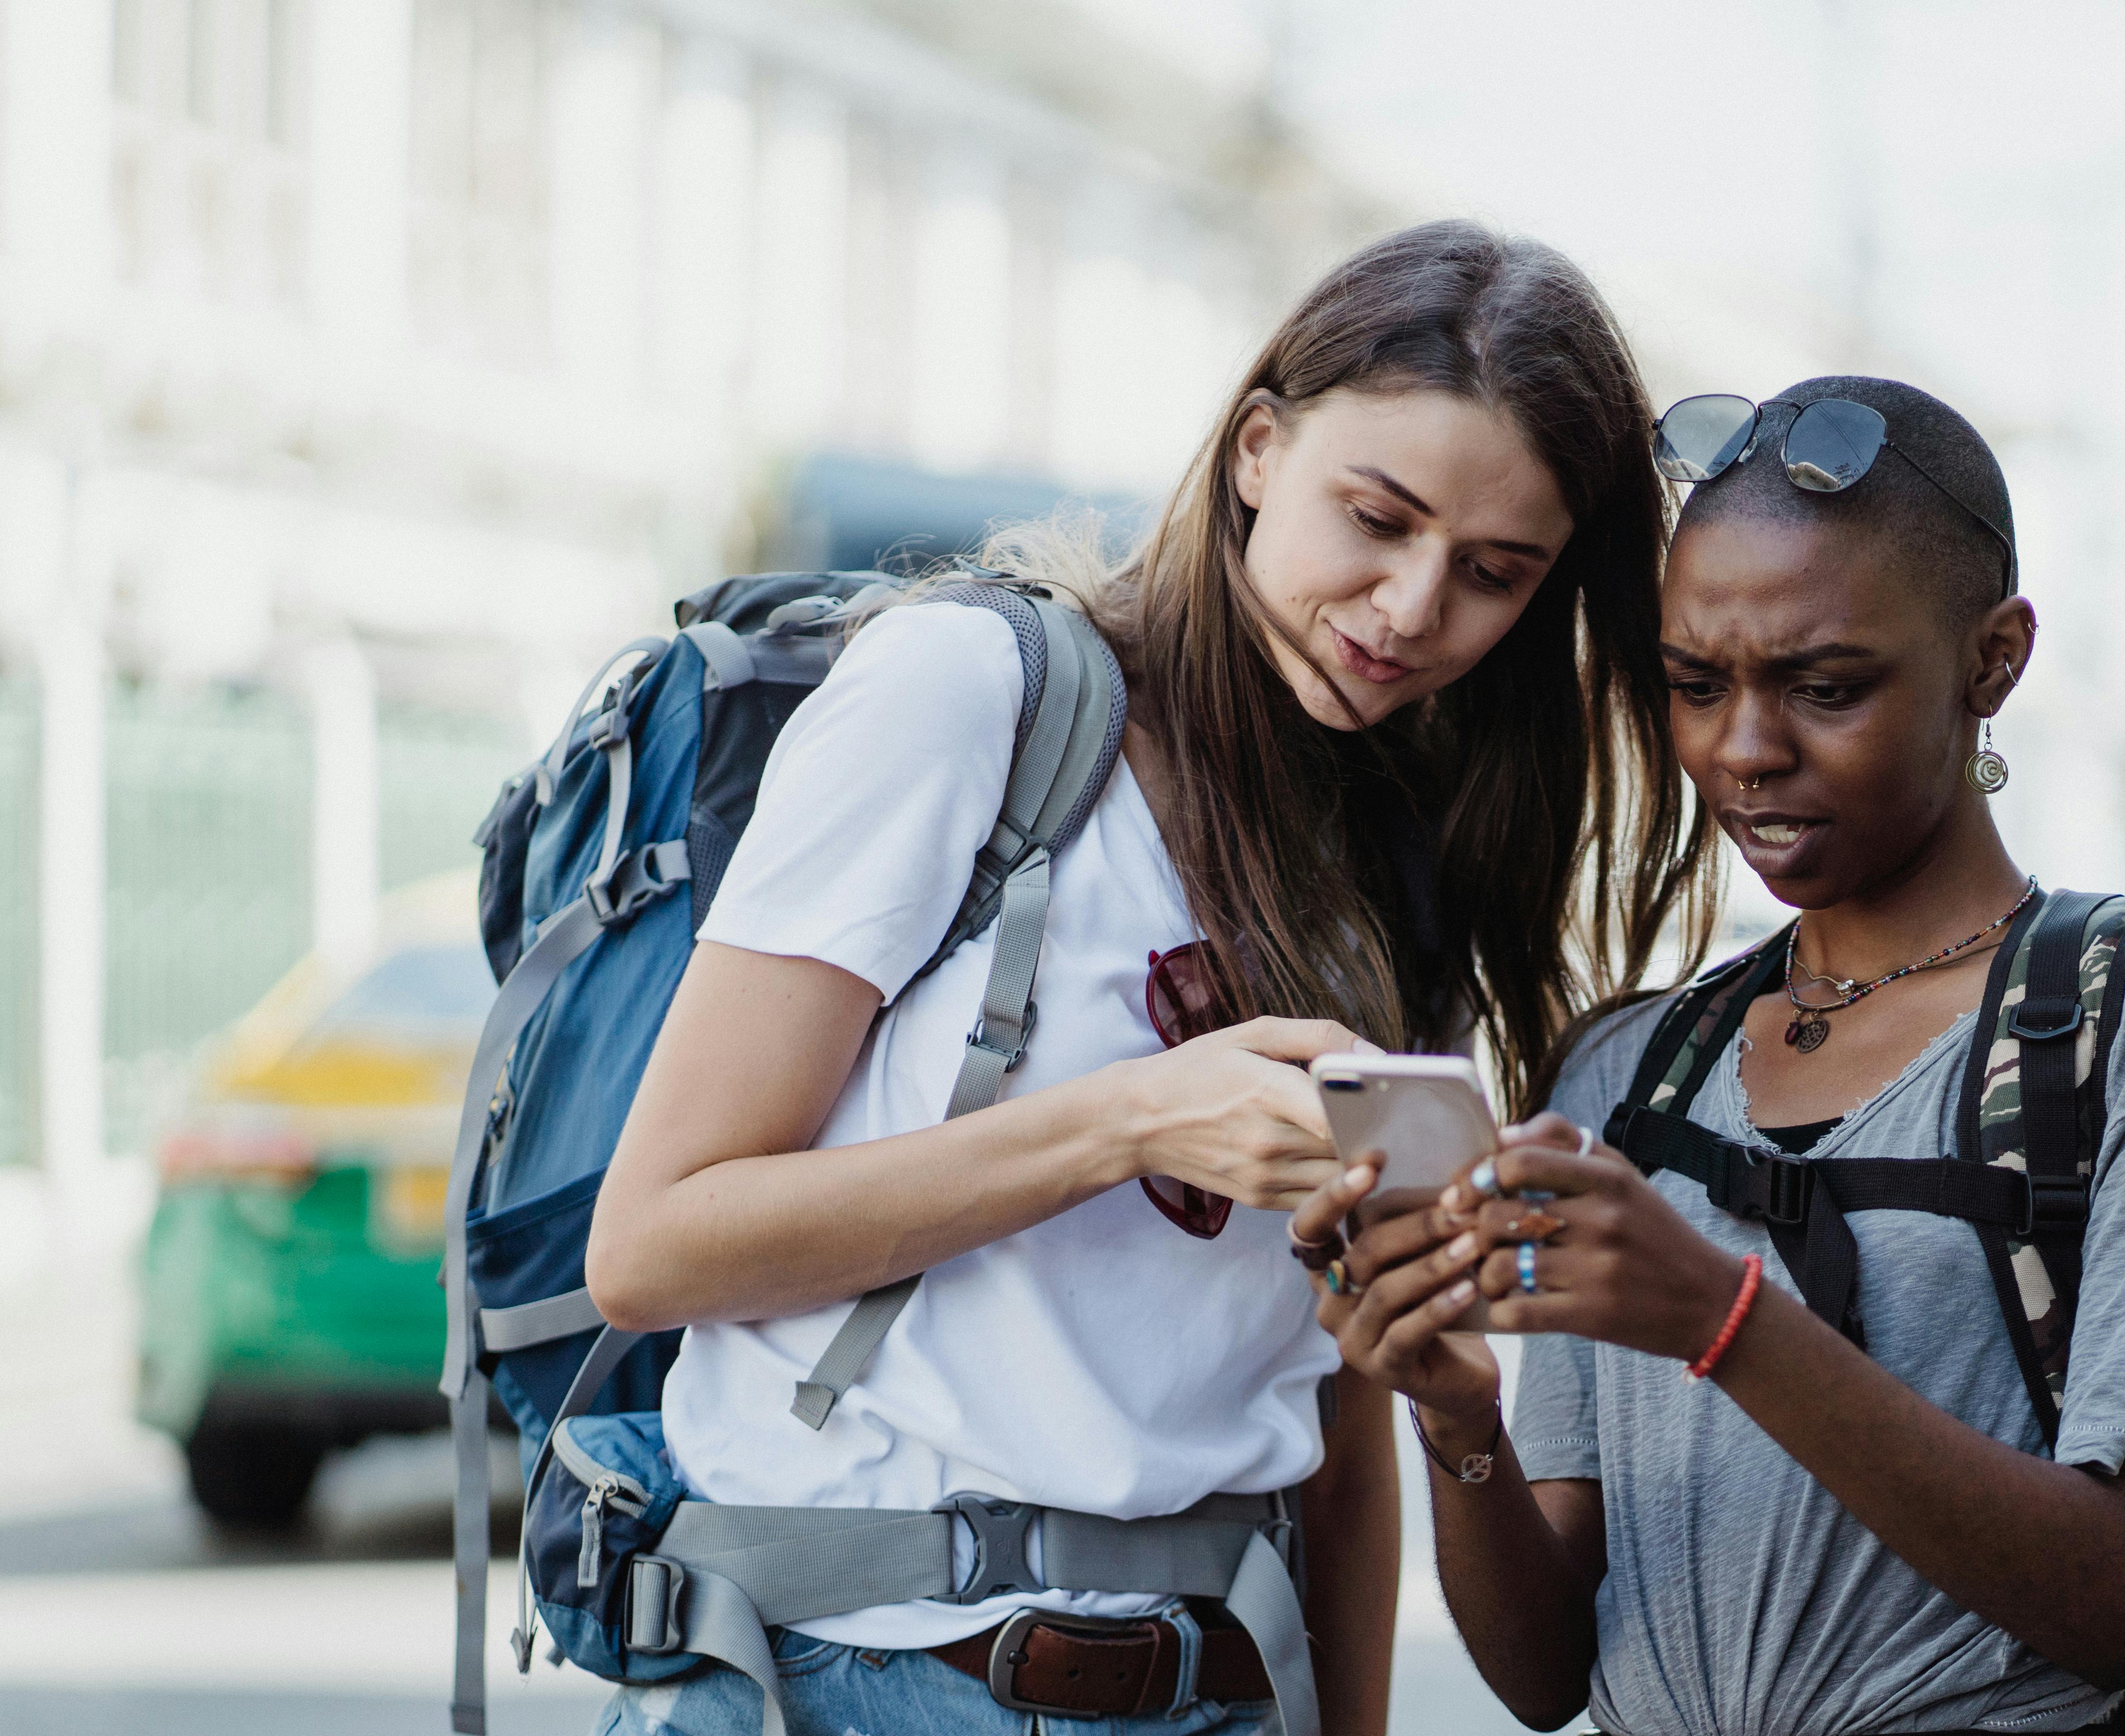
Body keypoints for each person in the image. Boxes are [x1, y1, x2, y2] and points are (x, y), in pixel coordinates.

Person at [580, 221, 1719, 1736]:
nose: (1408, 609)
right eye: (1373, 518)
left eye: (1493, 574)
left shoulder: (1404, 849)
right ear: (1258, 447)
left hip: (1224, 1689)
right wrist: (1124, 1123)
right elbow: (653, 1245)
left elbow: (1337, 1399)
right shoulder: (975, 694)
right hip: (850, 1679)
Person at [1297, 377, 2125, 1734]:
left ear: (1993, 659)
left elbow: (2118, 1604)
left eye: (1824, 688)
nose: (1745, 752)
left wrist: (1722, 1321)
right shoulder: (1631, 1075)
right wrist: (1458, 1422)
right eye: (1693, 686)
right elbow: (1542, 1683)